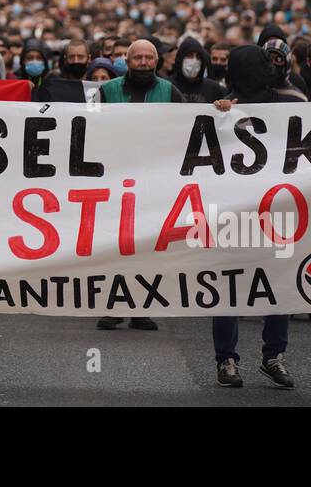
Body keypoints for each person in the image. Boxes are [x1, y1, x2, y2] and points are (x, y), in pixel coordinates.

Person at [210, 45, 303, 389]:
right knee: (229, 287)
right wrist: (220, 114)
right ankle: (228, 358)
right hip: (233, 212)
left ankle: (271, 355)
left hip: (274, 210)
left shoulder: (287, 105)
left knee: (276, 284)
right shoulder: (219, 107)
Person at [96, 38, 183, 331]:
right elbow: (89, 130)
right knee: (114, 244)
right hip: (114, 181)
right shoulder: (107, 91)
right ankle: (113, 305)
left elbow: (188, 129)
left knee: (145, 246)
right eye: (138, 58)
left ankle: (141, 306)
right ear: (127, 61)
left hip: (153, 183)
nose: (143, 63)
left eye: (149, 58)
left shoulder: (170, 91)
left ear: (156, 62)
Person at [169, 37, 224, 101]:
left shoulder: (213, 88)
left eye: (198, 57)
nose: (194, 60)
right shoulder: (167, 86)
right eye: (189, 55)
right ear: (180, 58)